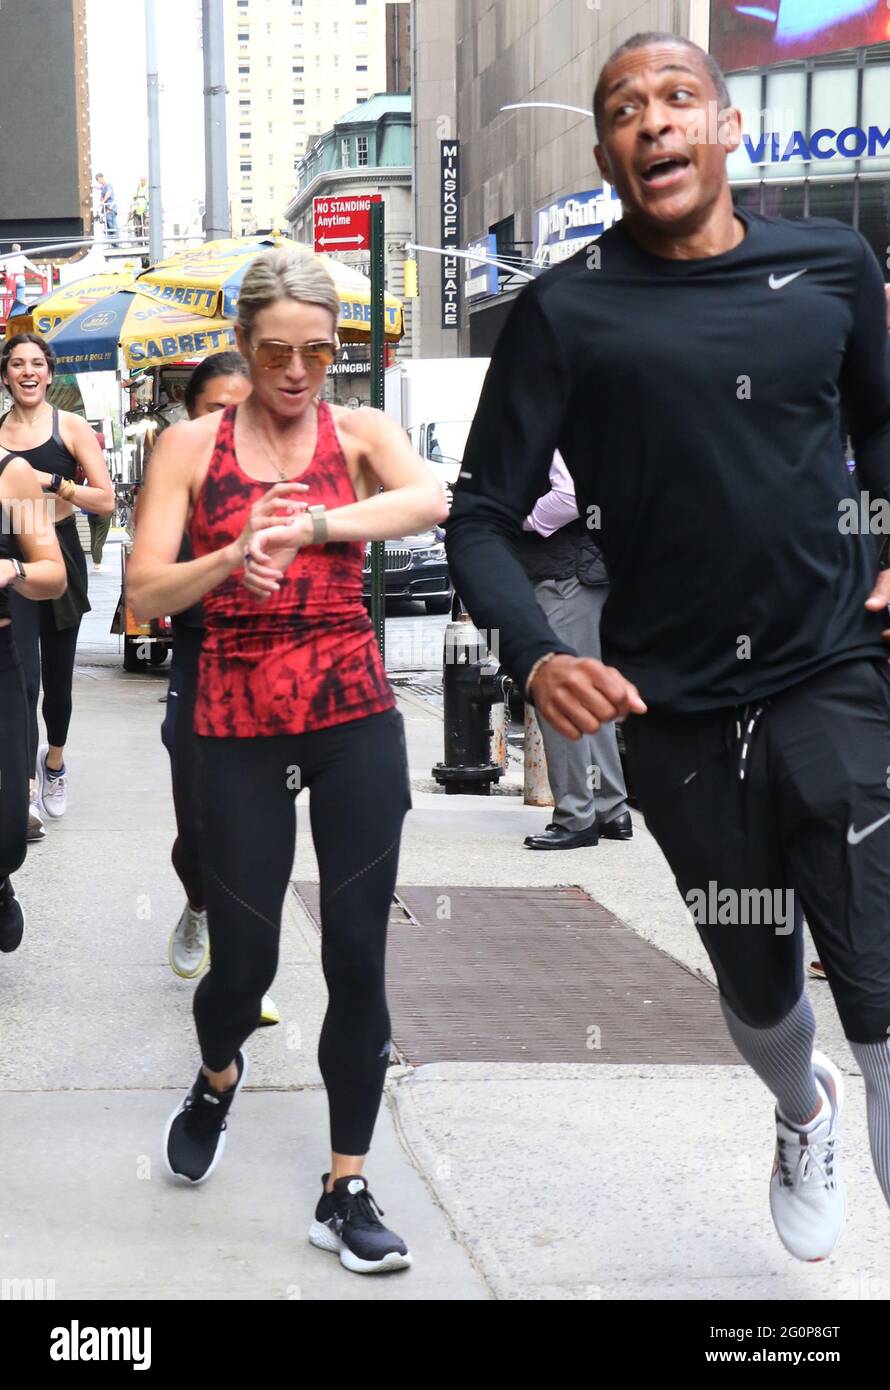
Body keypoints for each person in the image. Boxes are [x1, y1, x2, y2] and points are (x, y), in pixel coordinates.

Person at [446, 32, 890, 1264]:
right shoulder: (565, 310)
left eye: (676, 99)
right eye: (624, 111)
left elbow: (880, 419)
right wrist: (535, 654)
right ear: (604, 156)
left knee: (878, 980)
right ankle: (801, 1116)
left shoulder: (831, 266)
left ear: (725, 127)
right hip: (672, 706)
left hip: (828, 672)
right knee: (758, 987)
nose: (652, 123)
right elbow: (480, 513)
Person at [128, 247, 448, 1274]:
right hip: (233, 724)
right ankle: (218, 1070)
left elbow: (429, 501)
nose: (301, 371)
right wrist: (227, 558)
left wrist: (310, 524)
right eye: (278, 353)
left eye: (320, 350)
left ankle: (342, 1184)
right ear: (242, 346)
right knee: (245, 961)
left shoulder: (357, 434)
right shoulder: (189, 446)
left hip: (351, 716)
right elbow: (145, 591)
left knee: (355, 954)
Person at [0, 334, 115, 840]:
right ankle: (24, 791)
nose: (28, 372)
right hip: (14, 555)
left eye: (37, 364)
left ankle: (56, 760)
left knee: (58, 683)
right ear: (5, 374)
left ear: (49, 373)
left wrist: (54, 484)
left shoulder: (68, 427)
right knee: (21, 676)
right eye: (17, 364)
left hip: (61, 549)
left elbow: (106, 502)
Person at [162, 352, 251, 979]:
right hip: (199, 657)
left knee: (252, 825)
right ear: (190, 414)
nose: (228, 423)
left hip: (268, 663)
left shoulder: (280, 477)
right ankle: (198, 900)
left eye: (240, 411)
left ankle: (244, 968)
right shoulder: (176, 476)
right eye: (214, 410)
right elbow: (148, 586)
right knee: (196, 828)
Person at [518, 451, 631, 850]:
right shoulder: (581, 412)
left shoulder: (551, 418)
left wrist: (523, 520)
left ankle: (576, 816)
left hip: (563, 572)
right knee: (586, 690)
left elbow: (568, 496)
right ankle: (608, 808)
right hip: (580, 568)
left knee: (561, 693)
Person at [0, 442, 66, 949]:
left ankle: (0, 877)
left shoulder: (12, 476)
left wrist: (16, 571)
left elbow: (53, 574)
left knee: (7, 833)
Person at [87, 427, 111, 570]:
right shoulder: (102, 474)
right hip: (101, 511)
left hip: (90, 510)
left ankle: (96, 561)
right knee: (100, 538)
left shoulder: (88, 475)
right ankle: (97, 562)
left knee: (93, 535)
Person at [95, 173, 119, 242]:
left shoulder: (108, 185)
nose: (98, 181)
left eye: (98, 179)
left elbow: (108, 193)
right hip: (106, 209)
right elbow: (100, 188)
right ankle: (113, 242)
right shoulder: (103, 186)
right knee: (108, 225)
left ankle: (116, 242)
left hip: (110, 208)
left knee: (111, 224)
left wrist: (103, 202)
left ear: (101, 178)